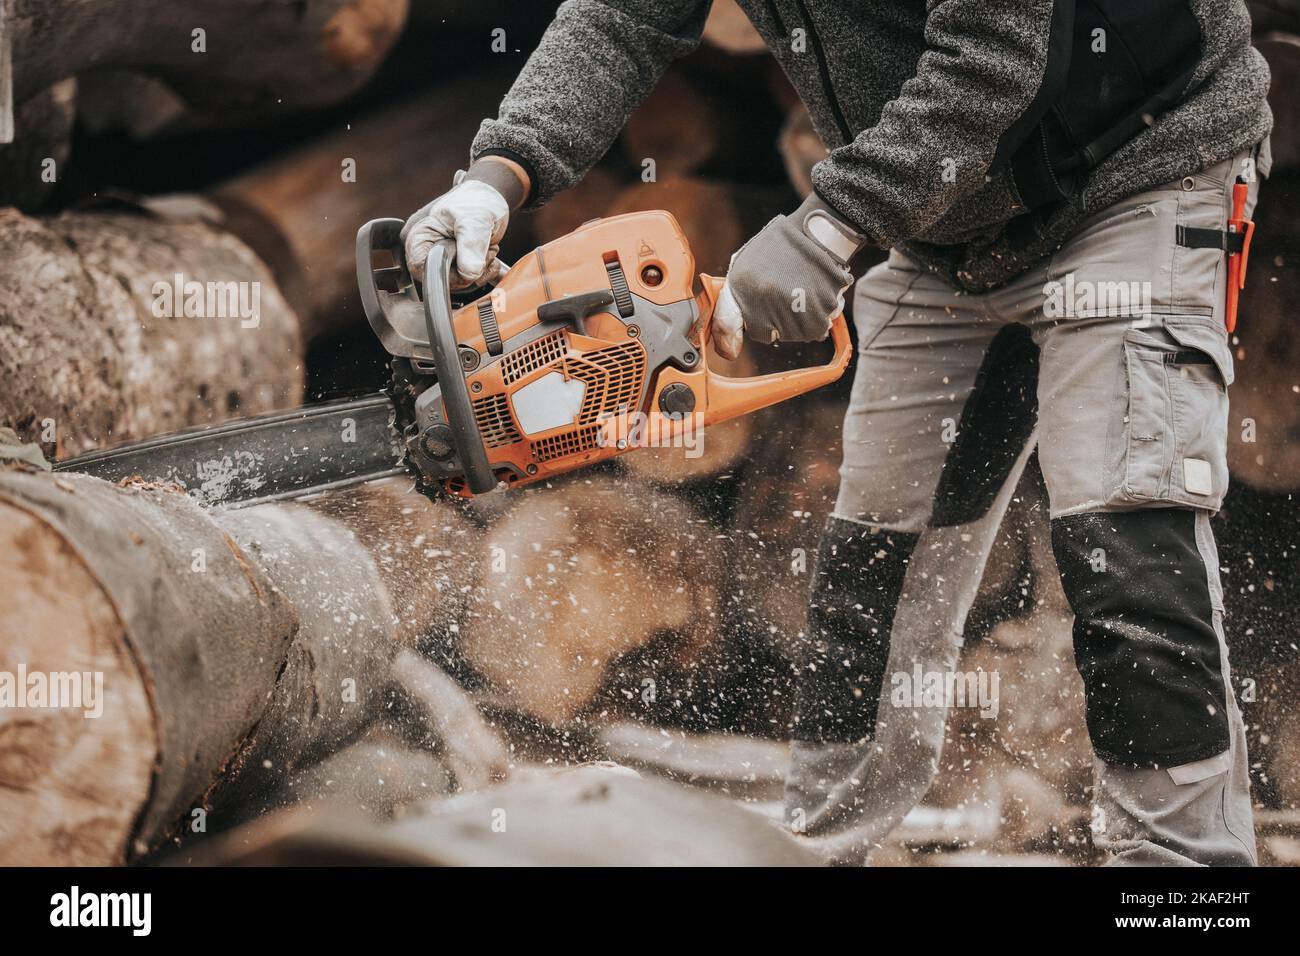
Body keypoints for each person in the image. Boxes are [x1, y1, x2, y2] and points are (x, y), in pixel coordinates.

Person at [404, 0, 1272, 865]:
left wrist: (829, 225)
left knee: (1122, 541)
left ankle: (1183, 882)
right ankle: (826, 846)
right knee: (874, 563)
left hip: (1135, 175)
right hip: (947, 228)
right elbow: (622, 16)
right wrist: (500, 172)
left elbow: (999, 51)